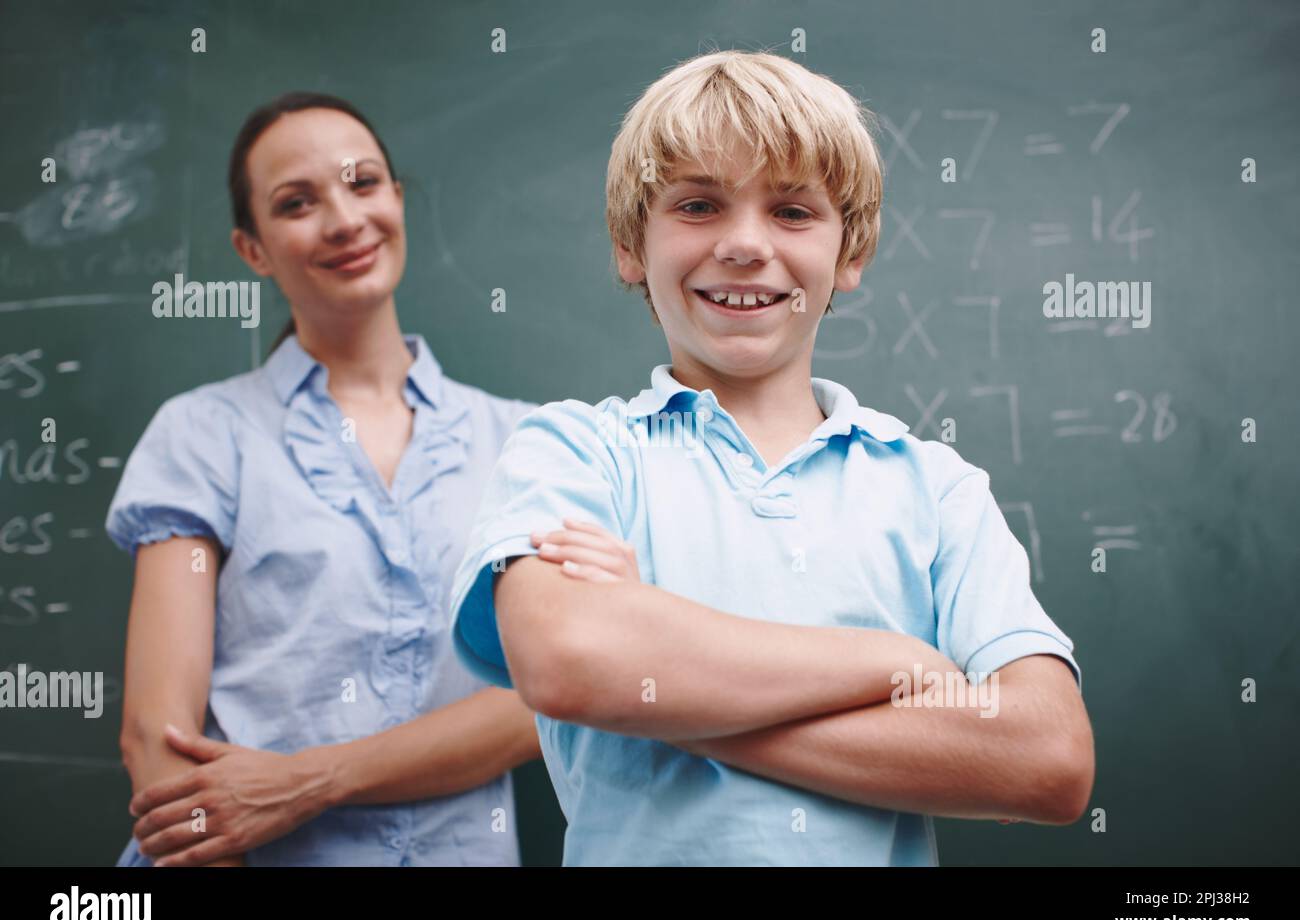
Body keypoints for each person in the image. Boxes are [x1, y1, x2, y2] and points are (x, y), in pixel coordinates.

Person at [449, 51, 1095, 865]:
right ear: (628, 245)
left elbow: (1049, 761)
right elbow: (571, 663)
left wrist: (658, 665)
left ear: (849, 253)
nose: (746, 245)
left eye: (792, 212)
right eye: (697, 205)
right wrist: (897, 665)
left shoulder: (936, 489)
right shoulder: (576, 451)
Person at [108, 92, 540, 866]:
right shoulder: (203, 434)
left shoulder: (521, 442)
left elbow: (544, 703)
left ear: (397, 199)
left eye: (363, 183)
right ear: (253, 250)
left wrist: (309, 782)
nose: (344, 221)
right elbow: (157, 737)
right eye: (297, 203)